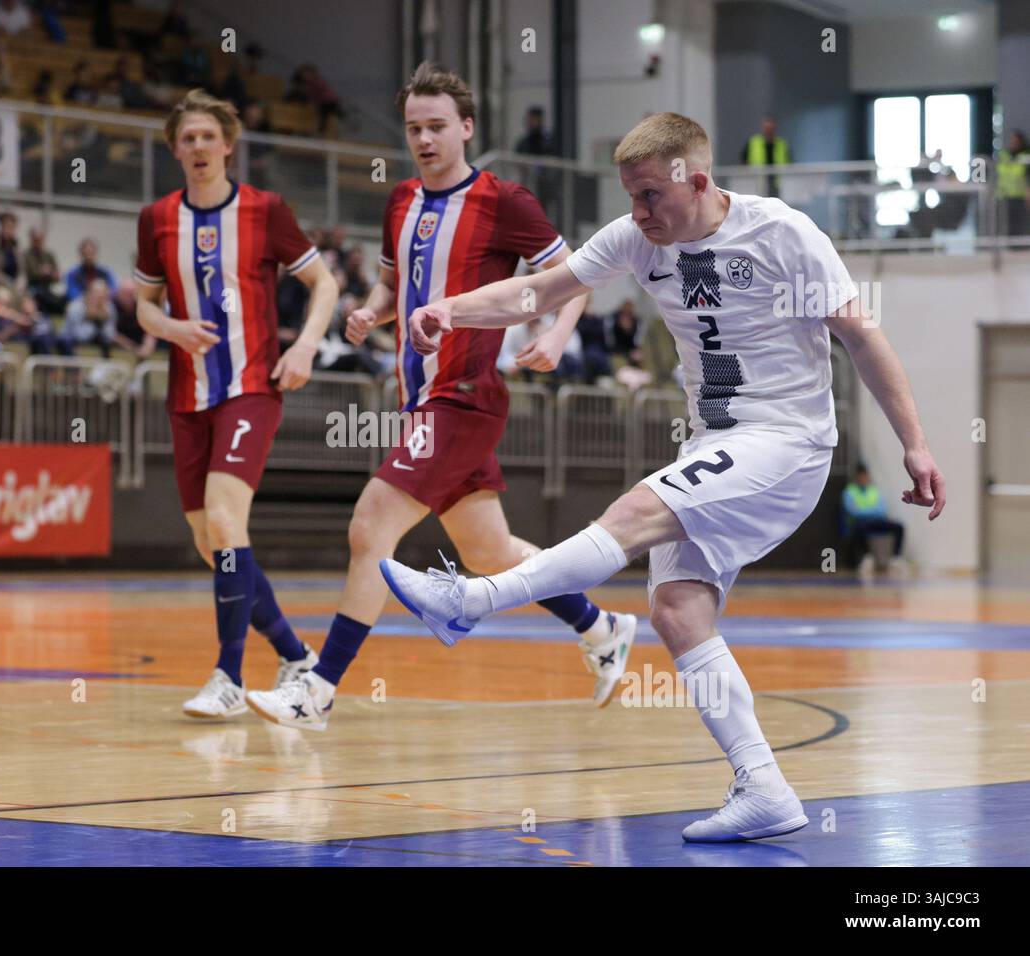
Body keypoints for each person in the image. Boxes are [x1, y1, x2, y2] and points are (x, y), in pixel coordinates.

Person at [380, 111, 946, 842]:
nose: (639, 212)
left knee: (635, 513)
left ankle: (472, 601)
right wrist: (448, 311)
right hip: (717, 441)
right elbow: (536, 295)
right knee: (678, 612)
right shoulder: (635, 238)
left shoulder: (783, 234)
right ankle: (764, 787)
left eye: (651, 195)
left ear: (698, 181)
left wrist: (917, 444)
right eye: (630, 196)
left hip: (786, 441)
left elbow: (862, 337)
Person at [245, 63, 636, 732]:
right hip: (421, 397)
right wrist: (371, 313)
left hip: (461, 397)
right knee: (489, 553)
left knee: (369, 529)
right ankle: (602, 627)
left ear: (467, 128)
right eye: (414, 128)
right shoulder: (400, 199)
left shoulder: (506, 202)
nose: (424, 139)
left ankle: (319, 691)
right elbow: (396, 285)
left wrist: (557, 334)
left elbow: (574, 277)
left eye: (436, 127)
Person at [133, 89, 339, 717]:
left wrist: (304, 346)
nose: (197, 147)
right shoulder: (157, 218)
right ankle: (296, 653)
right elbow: (143, 302)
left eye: (207, 137)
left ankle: (227, 675)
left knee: (225, 522)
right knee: (212, 540)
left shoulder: (264, 210)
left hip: (251, 387)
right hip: (187, 395)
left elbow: (323, 282)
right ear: (175, 149)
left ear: (228, 145)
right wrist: (171, 329)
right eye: (186, 138)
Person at [842, 463, 905, 578]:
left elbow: (882, 510)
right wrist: (871, 511)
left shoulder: (874, 490)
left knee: (899, 527)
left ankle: (896, 559)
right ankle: (867, 558)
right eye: (861, 476)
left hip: (877, 521)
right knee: (860, 528)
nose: (863, 478)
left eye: (865, 476)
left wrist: (864, 511)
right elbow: (853, 511)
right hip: (861, 523)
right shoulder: (849, 492)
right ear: (857, 477)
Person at [742, 115, 789, 199]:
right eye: (767, 128)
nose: (769, 130)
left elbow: (788, 162)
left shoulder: (781, 144)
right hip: (758, 181)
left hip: (777, 182)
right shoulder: (754, 142)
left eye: (771, 128)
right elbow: (744, 162)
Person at [996, 130, 1029, 237]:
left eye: (1016, 141)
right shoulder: (1004, 155)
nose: (1013, 143)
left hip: (1020, 196)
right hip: (1004, 196)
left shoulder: (1026, 156)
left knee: (1021, 223)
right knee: (1005, 223)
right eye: (1012, 141)